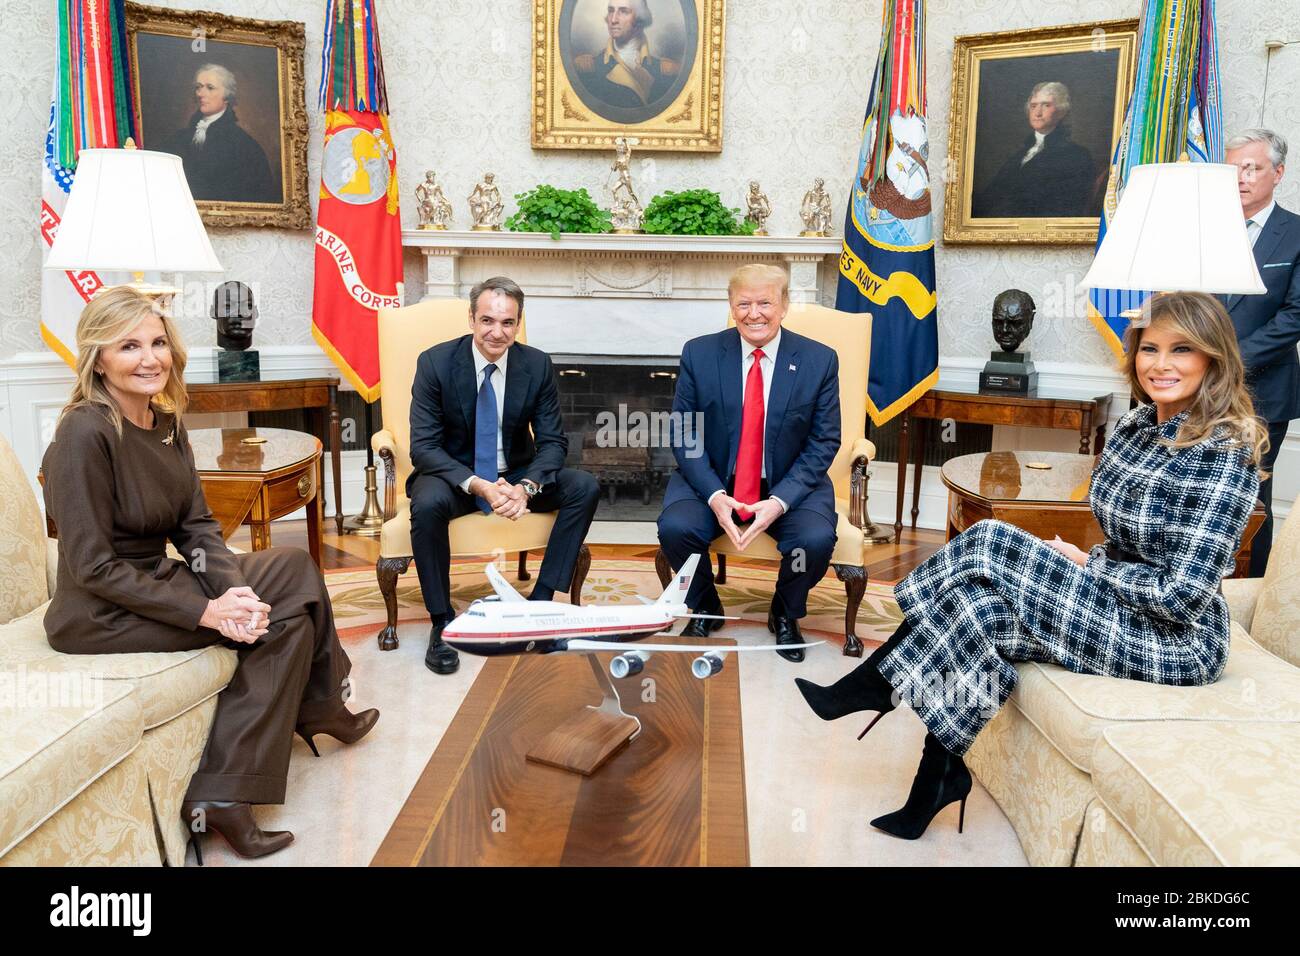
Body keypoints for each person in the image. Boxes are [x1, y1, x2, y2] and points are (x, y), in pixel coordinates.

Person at [796, 292, 1266, 839]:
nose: (1160, 364)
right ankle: (939, 773)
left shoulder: (1223, 452)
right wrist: (1088, 562)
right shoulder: (1139, 429)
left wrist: (1090, 570)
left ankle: (881, 678)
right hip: (1119, 602)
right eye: (1149, 348)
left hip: (1175, 638)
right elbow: (1121, 541)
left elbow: (1182, 595)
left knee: (992, 540)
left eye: (1181, 350)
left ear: (1214, 359)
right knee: (980, 610)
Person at [41, 286, 376, 862]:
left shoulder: (165, 421)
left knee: (291, 568)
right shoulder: (83, 433)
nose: (151, 358)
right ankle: (245, 774)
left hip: (161, 577)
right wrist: (207, 613)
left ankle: (312, 710)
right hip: (101, 611)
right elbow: (92, 566)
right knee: (286, 622)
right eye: (129, 346)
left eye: (157, 342)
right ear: (98, 359)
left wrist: (231, 590)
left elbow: (195, 526)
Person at [408, 276, 601, 675]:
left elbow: (552, 441)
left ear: (518, 323)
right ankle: (442, 621)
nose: (497, 332)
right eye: (487, 321)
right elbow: (423, 447)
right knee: (425, 504)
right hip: (454, 474)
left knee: (584, 486)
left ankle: (540, 604)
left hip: (515, 473)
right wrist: (477, 484)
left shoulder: (536, 364)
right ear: (472, 319)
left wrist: (526, 487)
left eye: (507, 323)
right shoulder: (435, 362)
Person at [657, 263, 841, 662]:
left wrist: (779, 501)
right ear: (730, 305)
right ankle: (706, 606)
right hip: (716, 478)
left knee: (812, 541)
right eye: (743, 303)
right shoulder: (700, 353)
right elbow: (684, 434)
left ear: (785, 305)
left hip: (789, 483)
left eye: (764, 303)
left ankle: (786, 610)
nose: (753, 313)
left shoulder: (819, 360)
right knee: (676, 528)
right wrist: (714, 494)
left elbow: (824, 441)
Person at [1223, 128, 1299, 577]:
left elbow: (1294, 318)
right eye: (1232, 170)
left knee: (1253, 501)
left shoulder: (1296, 234)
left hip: (1264, 393)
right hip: (1201, 392)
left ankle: (1249, 593)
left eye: (1251, 168)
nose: (1240, 179)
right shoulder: (1205, 231)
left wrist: (1229, 363)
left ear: (1278, 172)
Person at [972, 81, 1098, 219]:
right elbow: (991, 196)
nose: (1037, 113)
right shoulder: (1020, 155)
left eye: (1046, 105)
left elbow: (1068, 207)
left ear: (1062, 111)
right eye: (1033, 106)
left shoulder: (1077, 155)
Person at [156, 64, 278, 204]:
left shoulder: (244, 146)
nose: (201, 93)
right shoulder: (179, 138)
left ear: (227, 97)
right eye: (198, 87)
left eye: (210, 87)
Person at [572, 1, 679, 110]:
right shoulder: (588, 68)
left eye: (623, 12)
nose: (613, 20)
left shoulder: (666, 71)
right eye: (611, 11)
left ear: (640, 19)